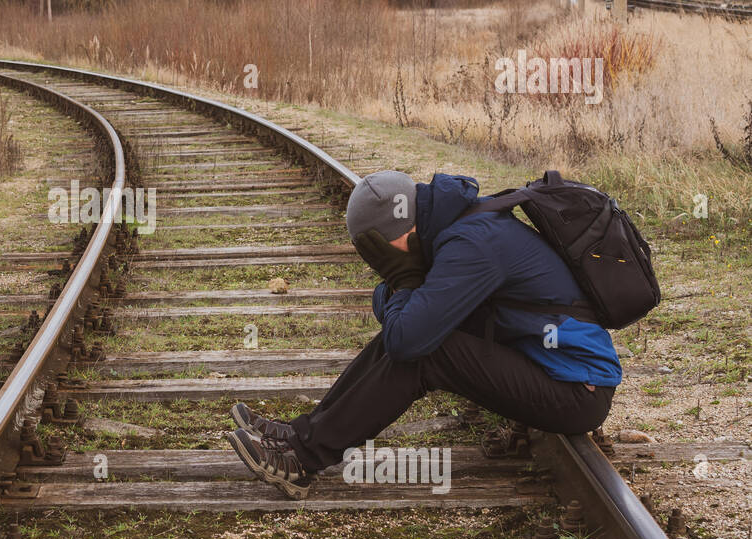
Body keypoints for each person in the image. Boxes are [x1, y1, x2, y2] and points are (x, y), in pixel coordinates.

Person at [226, 170, 622, 499]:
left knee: (427, 353)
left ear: (399, 231)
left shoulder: (471, 244)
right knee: (416, 335)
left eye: (377, 250)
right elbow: (387, 307)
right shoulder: (447, 229)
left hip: (576, 391)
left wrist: (405, 279)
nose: (378, 261)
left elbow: (406, 338)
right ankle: (300, 435)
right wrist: (403, 281)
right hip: (543, 368)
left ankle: (302, 460)